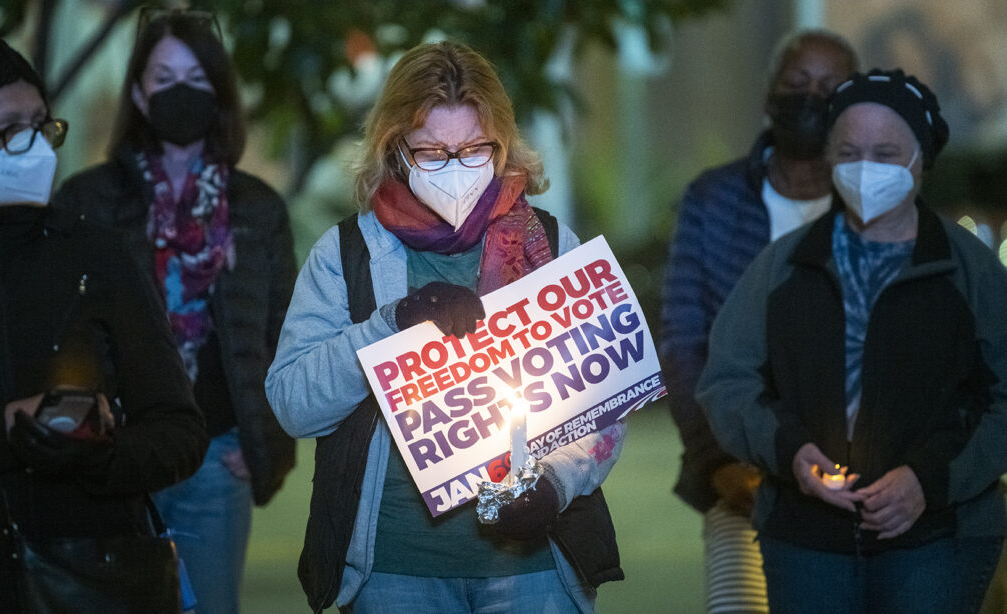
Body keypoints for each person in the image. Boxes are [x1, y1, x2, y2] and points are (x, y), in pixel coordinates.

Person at [265, 40, 627, 614]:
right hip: (394, 570)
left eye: (474, 149)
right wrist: (388, 328)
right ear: (395, 150)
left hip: (533, 571)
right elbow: (292, 404)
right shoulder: (346, 255)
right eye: (433, 152)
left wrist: (555, 485)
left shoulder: (551, 247)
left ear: (501, 144)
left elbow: (603, 402)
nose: (456, 168)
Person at [0, 34, 208, 611]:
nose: (39, 145)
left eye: (43, 124)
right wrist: (6, 430)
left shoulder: (97, 256)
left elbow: (179, 433)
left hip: (94, 583)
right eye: (13, 130)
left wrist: (101, 454)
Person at [697, 68, 1007, 614]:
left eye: (886, 152)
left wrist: (929, 481)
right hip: (805, 542)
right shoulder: (782, 267)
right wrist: (789, 453)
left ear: (921, 159)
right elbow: (727, 381)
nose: (867, 169)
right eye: (849, 150)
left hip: (939, 541)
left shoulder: (972, 272)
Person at [54, 8, 297, 614]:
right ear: (137, 90)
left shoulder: (257, 208)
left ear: (218, 91)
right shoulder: (88, 201)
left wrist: (265, 437)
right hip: (116, 460)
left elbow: (285, 334)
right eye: (164, 77)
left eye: (195, 77)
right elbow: (61, 331)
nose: (179, 92)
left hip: (219, 457)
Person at [659, 29, 858, 613]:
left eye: (830, 88)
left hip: (860, 477)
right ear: (770, 95)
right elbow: (684, 341)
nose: (811, 99)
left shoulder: (878, 206)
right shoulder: (713, 200)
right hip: (743, 471)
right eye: (797, 85)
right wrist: (716, 459)